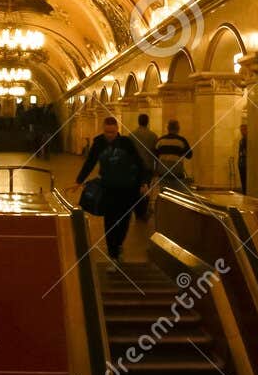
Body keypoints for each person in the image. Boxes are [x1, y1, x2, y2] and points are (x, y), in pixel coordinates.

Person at [74, 116, 151, 266]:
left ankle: (119, 245)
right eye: (107, 132)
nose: (109, 135)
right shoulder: (98, 143)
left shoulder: (126, 143)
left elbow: (139, 163)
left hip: (128, 188)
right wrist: (79, 181)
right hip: (108, 188)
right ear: (103, 130)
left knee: (124, 219)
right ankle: (112, 252)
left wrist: (144, 182)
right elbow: (90, 162)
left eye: (112, 132)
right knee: (109, 220)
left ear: (117, 130)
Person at [128, 113, 159, 220]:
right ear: (147, 122)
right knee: (146, 190)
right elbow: (156, 154)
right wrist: (156, 168)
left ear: (138, 121)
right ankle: (143, 211)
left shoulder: (131, 135)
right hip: (148, 168)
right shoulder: (153, 136)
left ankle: (137, 212)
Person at [154, 120, 194, 189]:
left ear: (168, 129)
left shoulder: (160, 140)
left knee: (164, 195)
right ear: (178, 129)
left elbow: (155, 156)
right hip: (177, 174)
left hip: (163, 174)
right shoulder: (181, 140)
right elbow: (189, 155)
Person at [237, 122, 248, 193]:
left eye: (243, 130)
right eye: (241, 130)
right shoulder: (242, 140)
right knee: (242, 179)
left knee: (245, 180)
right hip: (242, 162)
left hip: (245, 162)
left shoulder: (247, 139)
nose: (242, 131)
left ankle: (245, 192)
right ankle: (244, 191)